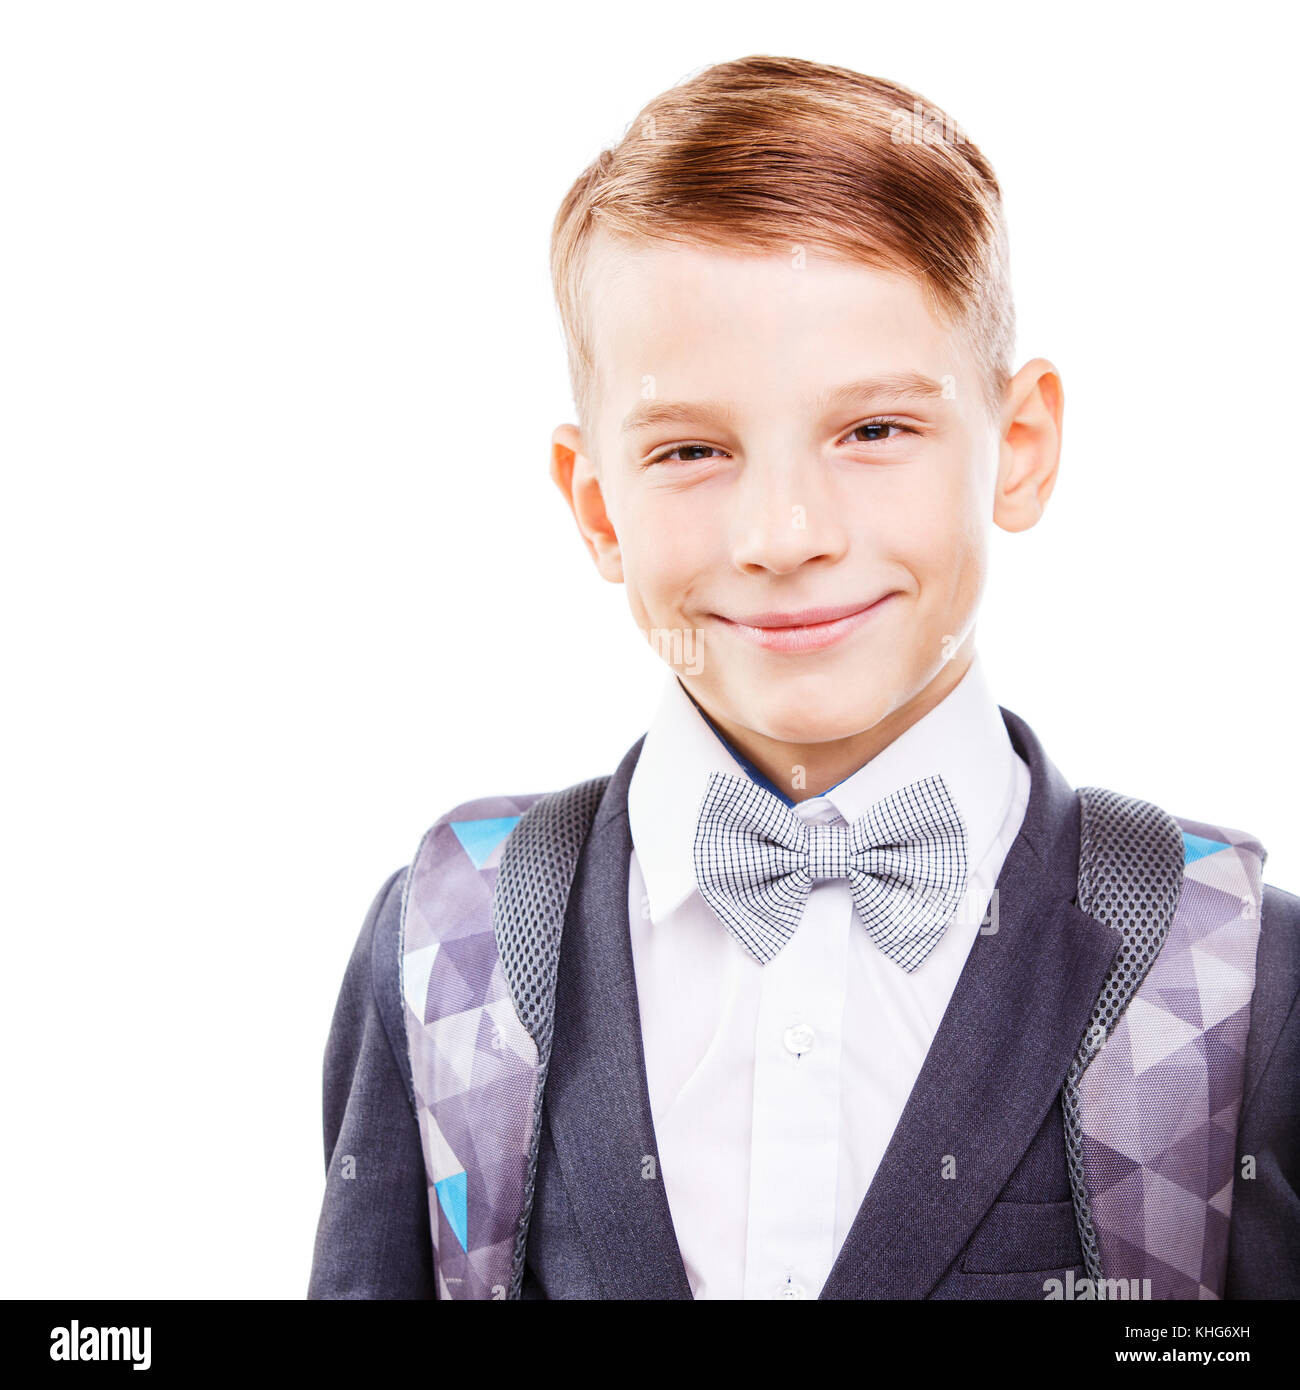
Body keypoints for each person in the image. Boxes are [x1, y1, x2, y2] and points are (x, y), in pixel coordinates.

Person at [308, 54, 1299, 1300]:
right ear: (596, 506)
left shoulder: (1231, 972)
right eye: (689, 448)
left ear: (1021, 448)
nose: (784, 532)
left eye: (874, 430)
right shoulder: (446, 942)